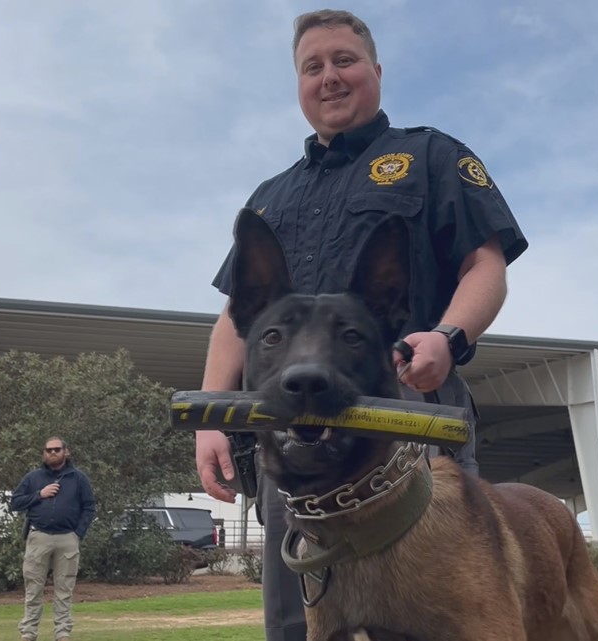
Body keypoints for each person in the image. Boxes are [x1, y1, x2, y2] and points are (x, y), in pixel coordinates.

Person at [195, 9, 529, 641]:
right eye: (312, 66)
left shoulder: (431, 155)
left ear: (375, 71)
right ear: (297, 83)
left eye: (344, 60)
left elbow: (484, 266)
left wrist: (450, 338)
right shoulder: (271, 196)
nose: (330, 77)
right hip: (294, 444)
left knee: (444, 617)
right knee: (300, 624)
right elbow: (236, 319)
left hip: (409, 420)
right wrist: (214, 415)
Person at [10, 436, 97, 641]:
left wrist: (78, 534)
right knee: (33, 588)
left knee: (64, 589)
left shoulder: (78, 479)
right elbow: (15, 502)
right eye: (49, 450)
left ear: (66, 452)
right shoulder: (33, 478)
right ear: (44, 453)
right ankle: (29, 633)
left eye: (57, 449)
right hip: (39, 536)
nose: (53, 453)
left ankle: (62, 632)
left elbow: (89, 507)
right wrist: (39, 494)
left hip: (67, 538)